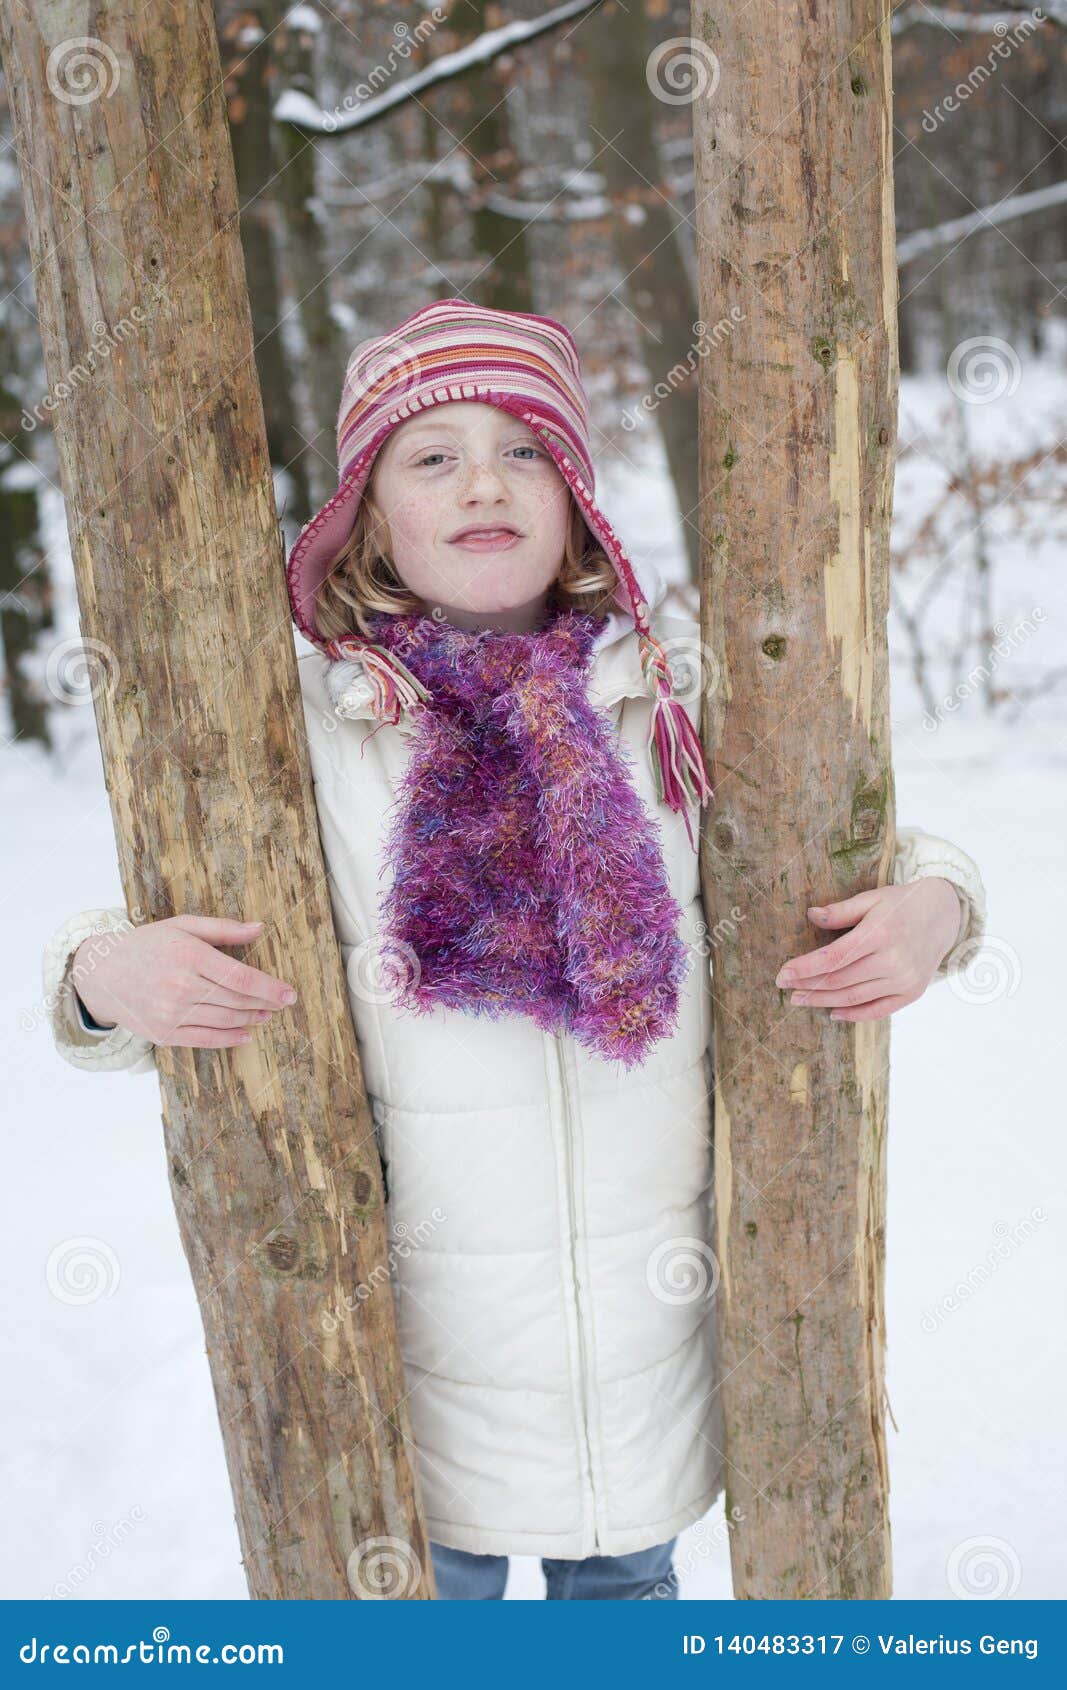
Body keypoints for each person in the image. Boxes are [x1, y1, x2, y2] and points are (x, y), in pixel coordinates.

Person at [41, 298, 987, 1600]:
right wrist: (104, 976)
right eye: (432, 457)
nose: (485, 479)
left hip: (642, 1364)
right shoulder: (312, 728)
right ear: (370, 515)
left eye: (526, 448)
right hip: (418, 1378)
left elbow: (866, 849)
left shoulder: (670, 698)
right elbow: (150, 930)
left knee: (623, 1611)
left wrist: (935, 910)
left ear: (578, 498)